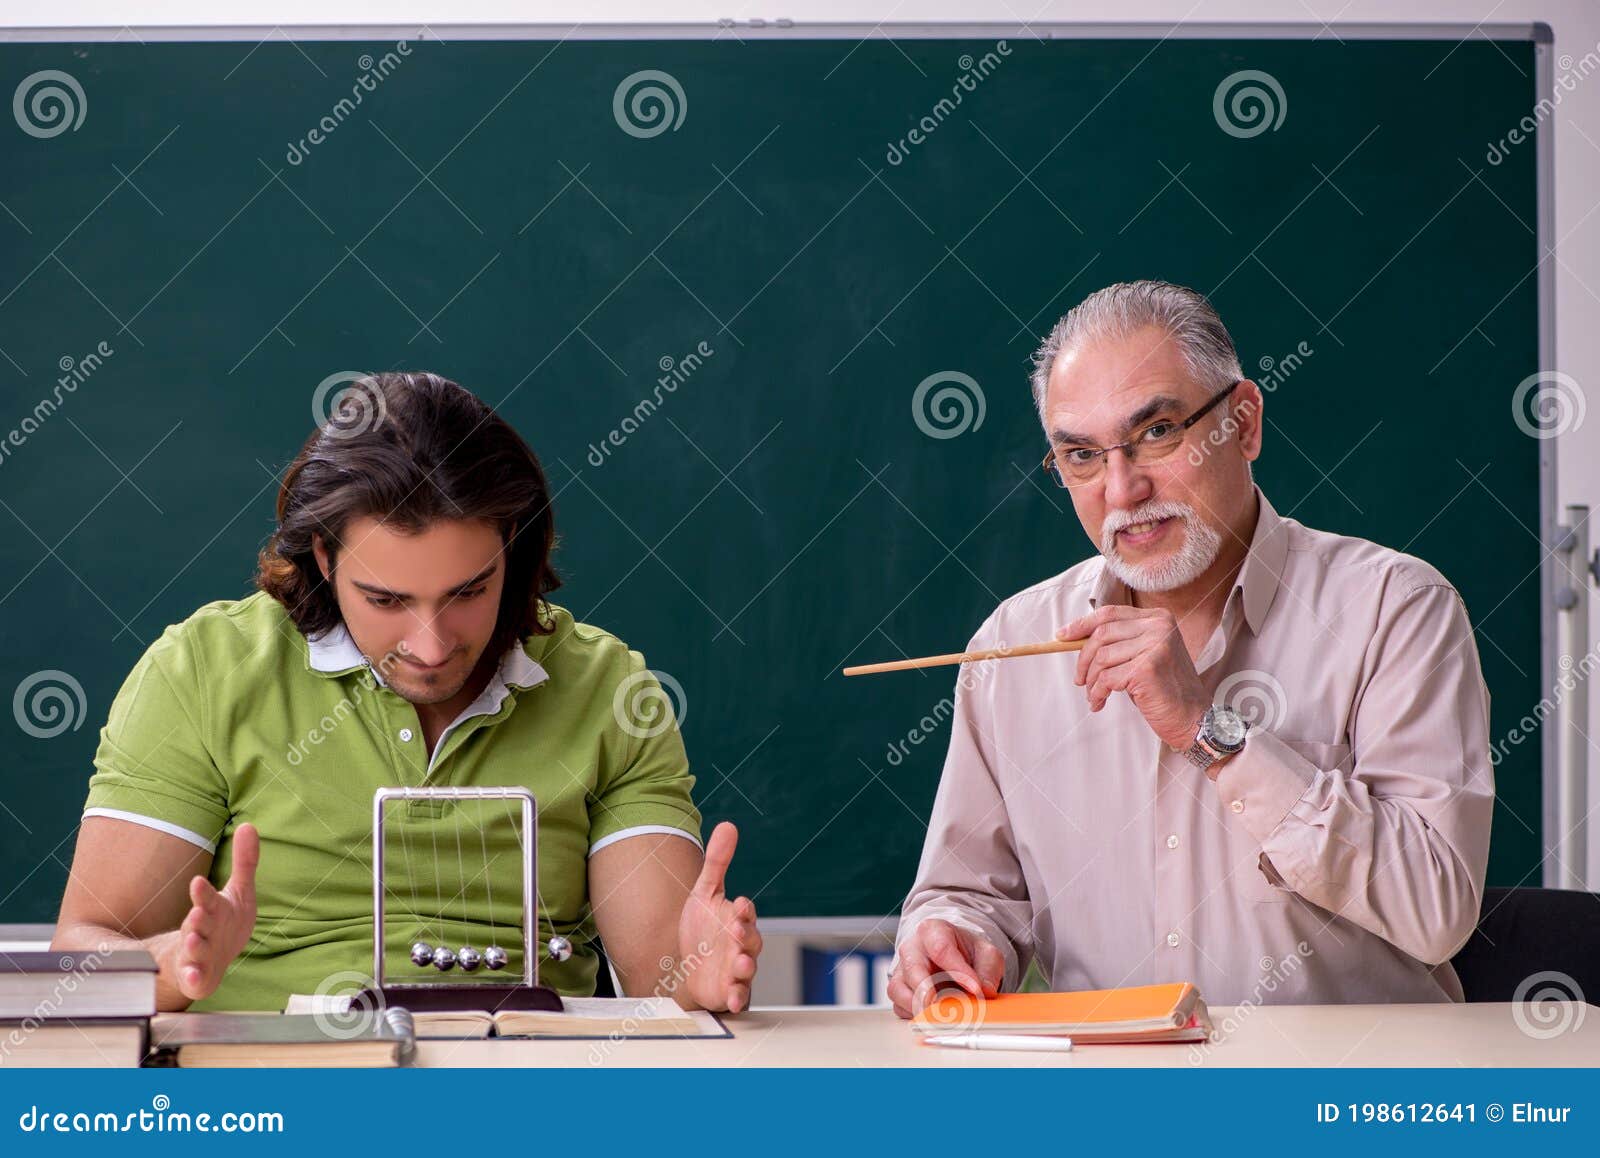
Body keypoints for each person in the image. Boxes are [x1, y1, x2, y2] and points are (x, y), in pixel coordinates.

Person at [53, 372, 761, 1013]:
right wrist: (170, 966)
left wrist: (692, 976)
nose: (430, 645)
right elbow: (83, 955)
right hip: (279, 1090)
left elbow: (660, 977)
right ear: (326, 558)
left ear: (510, 551)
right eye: (387, 598)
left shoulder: (607, 690)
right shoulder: (202, 672)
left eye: (467, 592)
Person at [890, 280, 1493, 1014]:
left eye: (1157, 432)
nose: (1122, 490)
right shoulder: (1013, 648)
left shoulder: (1395, 610)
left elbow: (1438, 909)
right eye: (1080, 455)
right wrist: (950, 939)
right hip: (1116, 1105)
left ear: (1243, 423)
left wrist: (1214, 732)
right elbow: (964, 895)